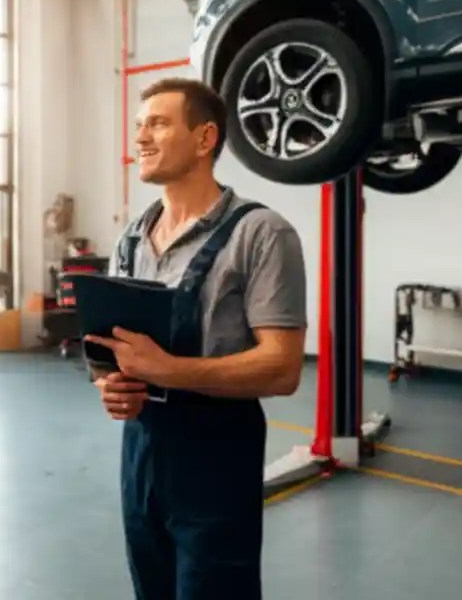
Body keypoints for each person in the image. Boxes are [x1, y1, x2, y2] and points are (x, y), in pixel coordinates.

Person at [85, 77, 307, 600]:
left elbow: (282, 367)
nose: (140, 136)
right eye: (140, 125)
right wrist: (109, 385)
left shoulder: (262, 233)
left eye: (158, 123)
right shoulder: (132, 238)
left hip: (217, 453)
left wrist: (170, 371)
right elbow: (109, 351)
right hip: (139, 450)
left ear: (205, 139)